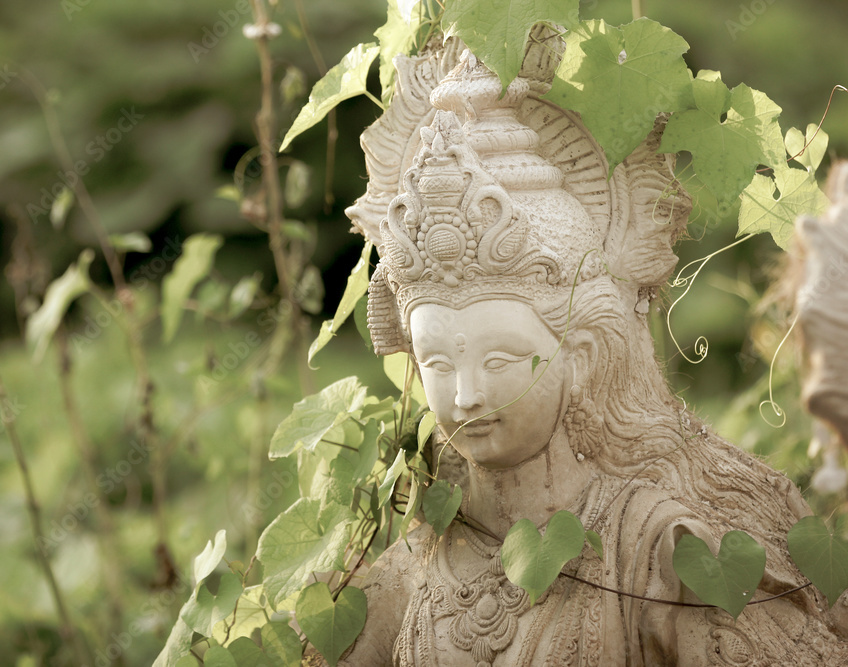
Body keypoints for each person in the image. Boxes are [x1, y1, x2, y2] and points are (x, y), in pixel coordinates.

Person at [341, 45, 848, 666]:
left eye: (499, 361)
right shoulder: (418, 559)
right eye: (438, 365)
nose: (466, 394)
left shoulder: (656, 551)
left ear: (579, 356)